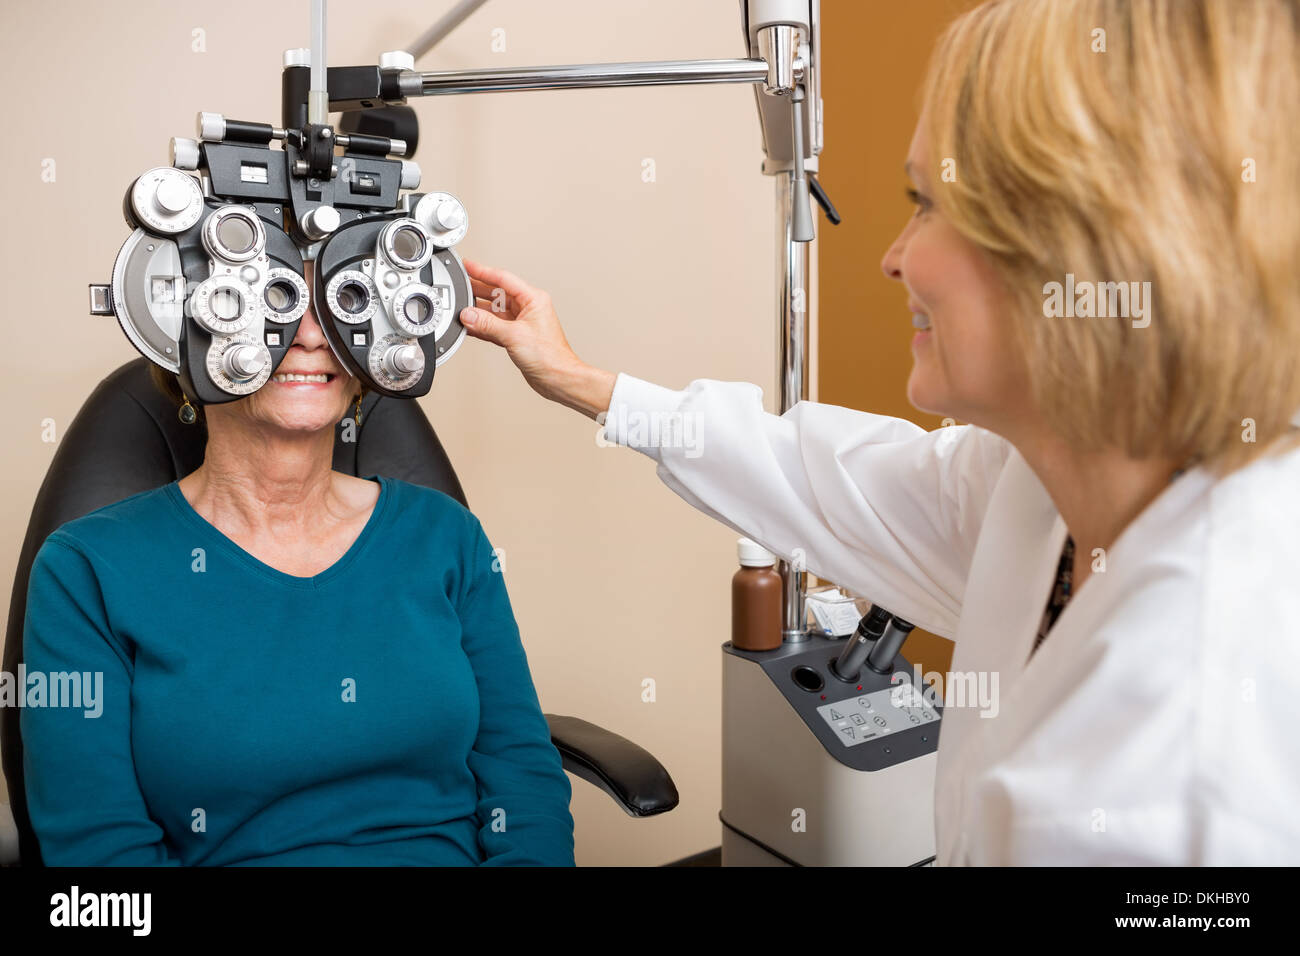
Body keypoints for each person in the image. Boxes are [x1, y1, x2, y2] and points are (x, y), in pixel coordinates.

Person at [453, 0, 1300, 864]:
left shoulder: (1182, 755)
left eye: (924, 204)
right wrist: (584, 381)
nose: (893, 256)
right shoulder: (1046, 488)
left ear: (1078, 245)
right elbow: (825, 477)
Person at [21, 258, 575, 866]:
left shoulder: (446, 536)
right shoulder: (86, 569)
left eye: (340, 303)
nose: (310, 335)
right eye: (273, 299)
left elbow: (520, 772)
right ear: (188, 327)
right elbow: (99, 852)